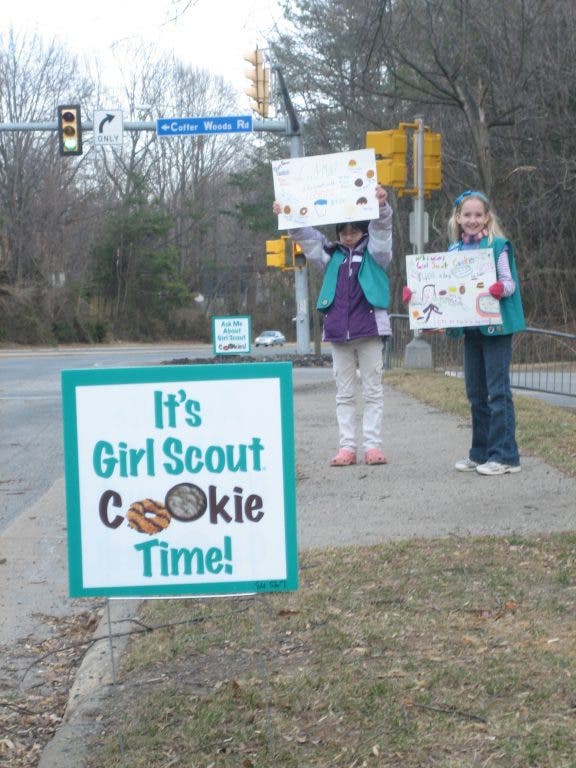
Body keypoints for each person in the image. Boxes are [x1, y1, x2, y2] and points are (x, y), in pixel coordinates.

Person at [273, 184, 393, 467]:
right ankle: (347, 447)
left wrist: (382, 207)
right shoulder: (330, 257)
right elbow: (306, 236)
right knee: (344, 392)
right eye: (344, 231)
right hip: (339, 333)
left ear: (363, 230)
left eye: (354, 230)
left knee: (373, 390)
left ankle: (373, 446)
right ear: (338, 233)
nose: (349, 236)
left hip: (371, 330)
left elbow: (383, 230)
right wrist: (288, 214)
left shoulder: (377, 254)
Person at [444, 189, 525, 475]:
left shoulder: (497, 246)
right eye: (467, 214)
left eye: (478, 214)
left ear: (487, 217)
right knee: (475, 392)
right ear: (458, 217)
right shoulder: (454, 251)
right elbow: (445, 291)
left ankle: (505, 456)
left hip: (496, 327)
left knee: (497, 391)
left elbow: (510, 282)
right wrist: (420, 300)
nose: (472, 219)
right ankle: (480, 453)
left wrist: (499, 288)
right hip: (471, 329)